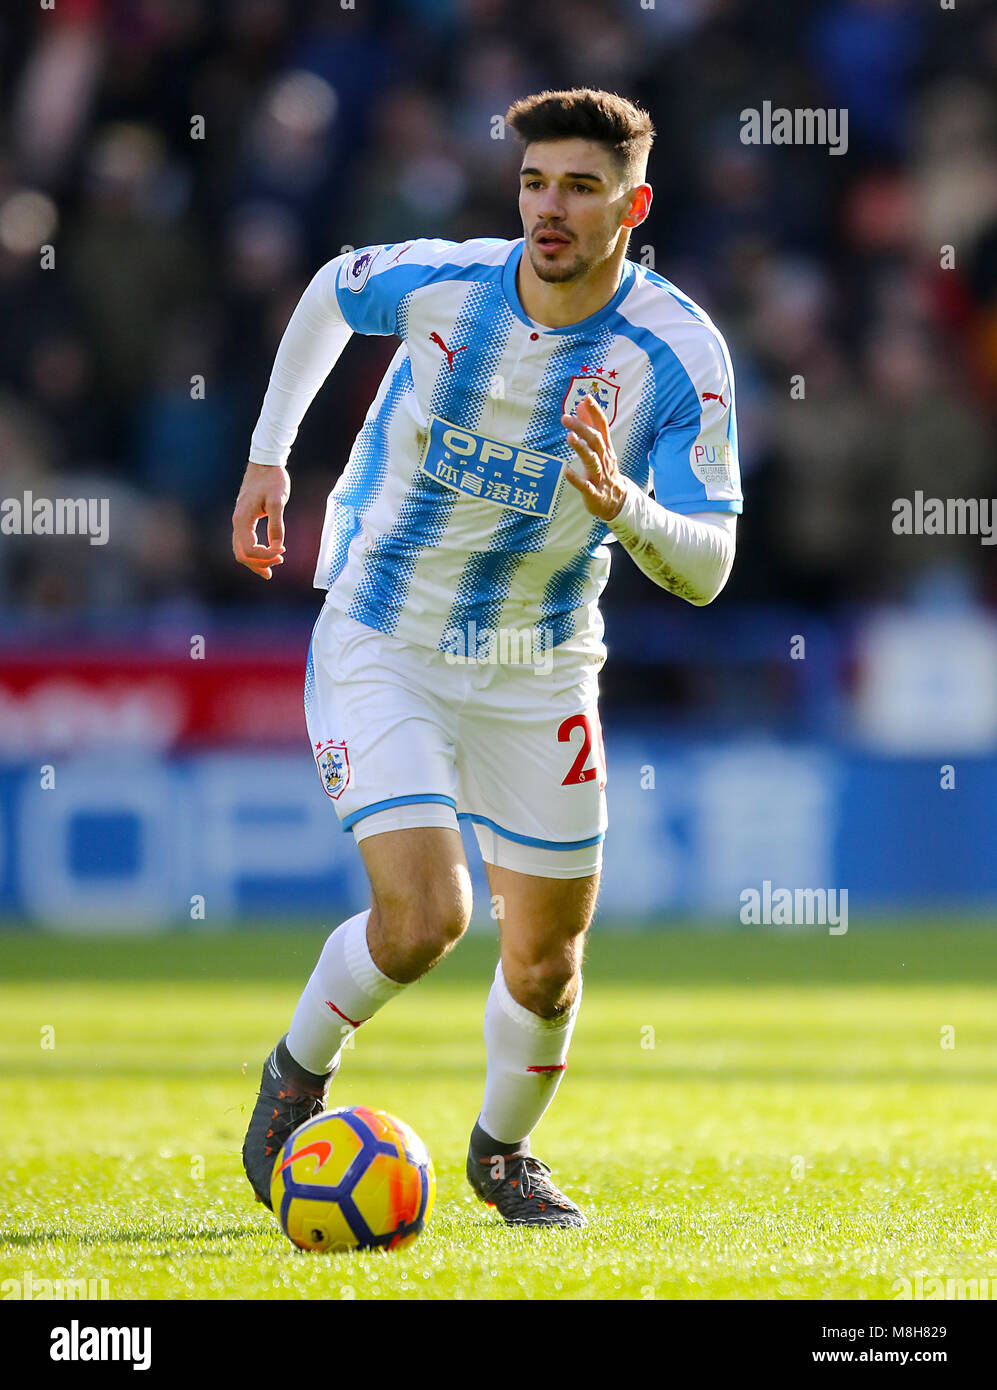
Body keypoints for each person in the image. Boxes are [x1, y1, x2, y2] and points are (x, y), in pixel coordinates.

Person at [233, 88, 741, 1229]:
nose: (547, 208)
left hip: (539, 665)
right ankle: (296, 1074)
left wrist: (626, 510)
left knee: (547, 962)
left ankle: (501, 1154)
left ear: (633, 204)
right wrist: (270, 457)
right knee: (423, 920)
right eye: (532, 182)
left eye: (578, 186)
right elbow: (328, 290)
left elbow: (707, 567)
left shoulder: (678, 353)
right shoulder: (447, 281)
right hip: (385, 632)